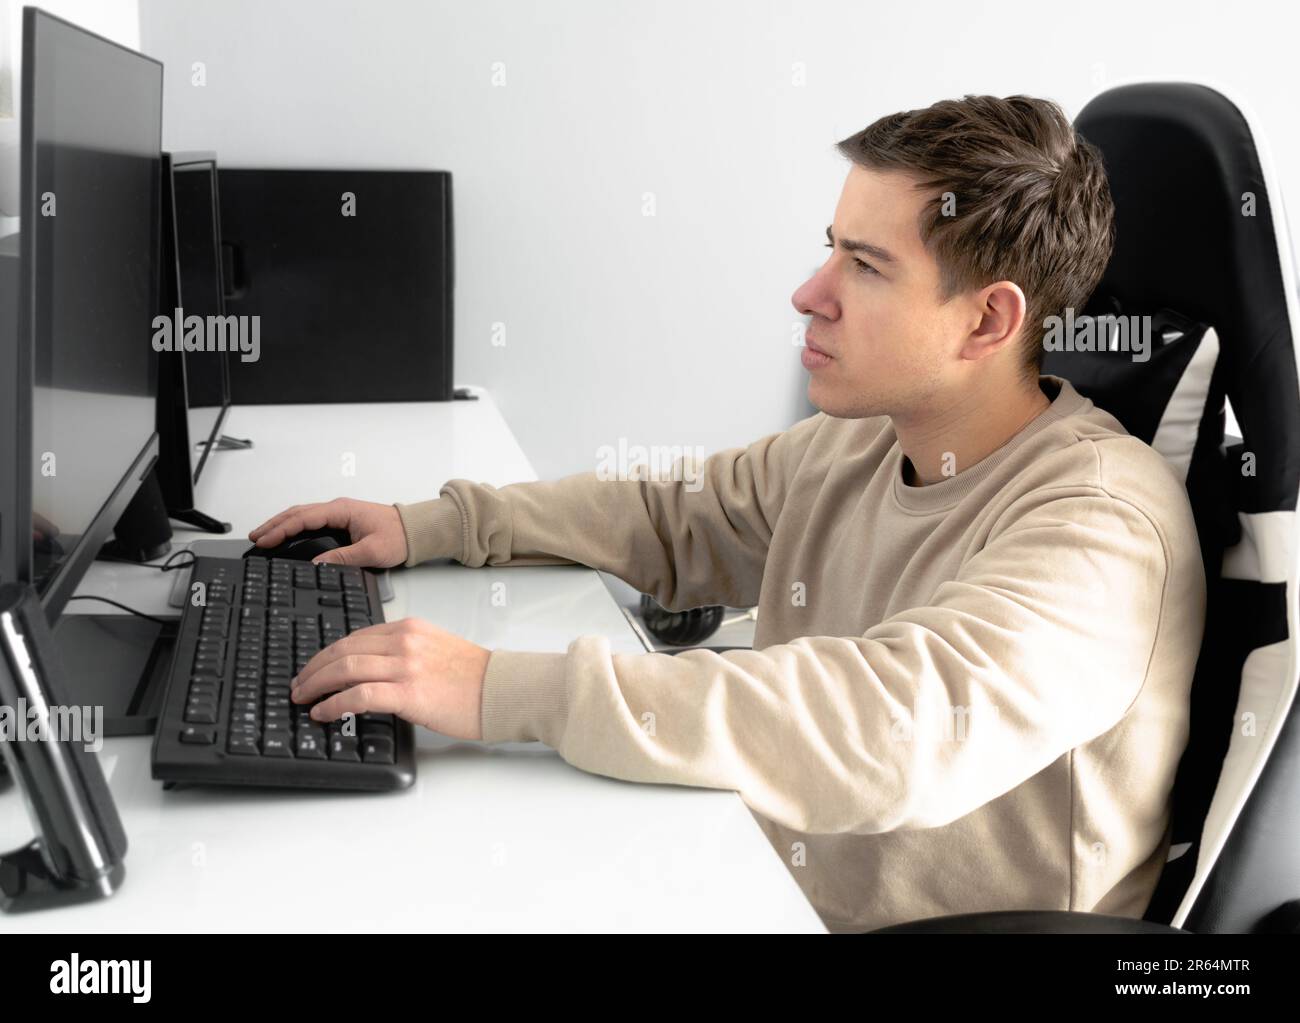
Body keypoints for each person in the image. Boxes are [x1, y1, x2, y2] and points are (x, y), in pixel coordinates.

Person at [250, 94, 1206, 933]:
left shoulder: (1104, 527)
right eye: (830, 248)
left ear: (990, 321)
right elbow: (676, 515)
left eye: (867, 267)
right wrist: (440, 525)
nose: (809, 294)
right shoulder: (874, 436)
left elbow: (888, 731)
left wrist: (505, 690)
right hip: (765, 871)